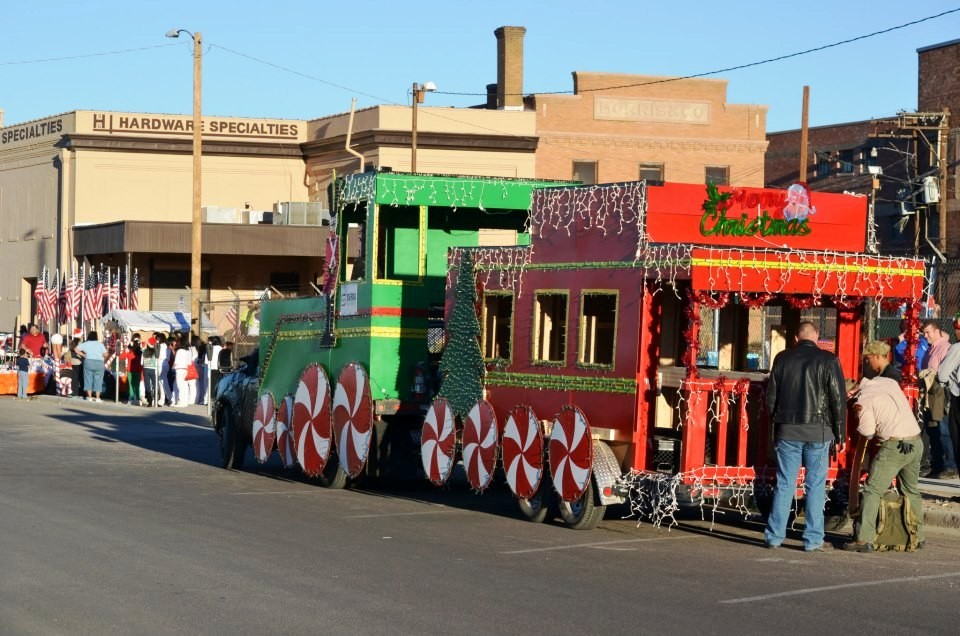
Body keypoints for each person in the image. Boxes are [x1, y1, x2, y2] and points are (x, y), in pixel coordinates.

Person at [764, 321, 846, 552]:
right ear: (817, 336)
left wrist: (776, 423)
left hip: (787, 429)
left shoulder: (782, 359)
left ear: (796, 339)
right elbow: (837, 400)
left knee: (785, 483)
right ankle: (812, 539)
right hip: (819, 431)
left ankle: (774, 536)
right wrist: (840, 434)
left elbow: (771, 397)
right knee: (816, 485)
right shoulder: (829, 360)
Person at [843, 376, 924, 552]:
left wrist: (858, 416)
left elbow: (868, 432)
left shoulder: (863, 400)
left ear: (850, 393)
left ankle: (863, 540)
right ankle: (918, 535)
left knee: (872, 491)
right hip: (916, 442)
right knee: (910, 490)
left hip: (894, 445)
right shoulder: (886, 382)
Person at [920, 320, 956, 478]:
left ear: (937, 331)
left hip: (940, 392)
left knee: (944, 430)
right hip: (929, 393)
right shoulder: (931, 350)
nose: (925, 336)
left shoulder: (945, 348)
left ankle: (951, 465)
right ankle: (937, 464)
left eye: (928, 332)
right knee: (932, 429)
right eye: (924, 333)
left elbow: (945, 372)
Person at [936, 316, 960, 482]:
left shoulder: (957, 348)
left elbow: (942, 374)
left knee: (957, 439)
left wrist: (946, 381)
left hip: (958, 398)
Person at [75, 331, 107, 402]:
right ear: (96, 337)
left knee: (88, 379)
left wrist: (83, 355)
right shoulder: (100, 344)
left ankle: (89, 397)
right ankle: (98, 398)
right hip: (99, 362)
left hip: (88, 361)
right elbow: (105, 354)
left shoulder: (86, 344)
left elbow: (76, 349)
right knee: (98, 380)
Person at [173, 334, 194, 407]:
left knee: (180, 386)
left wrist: (173, 367)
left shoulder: (179, 351)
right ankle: (185, 401)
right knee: (185, 385)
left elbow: (176, 361)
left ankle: (181, 401)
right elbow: (190, 362)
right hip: (185, 369)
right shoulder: (188, 351)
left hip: (179, 369)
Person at [120, 341, 143, 405]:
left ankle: (132, 398)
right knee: (137, 386)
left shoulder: (129, 353)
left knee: (131, 385)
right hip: (138, 371)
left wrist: (124, 350)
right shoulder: (140, 353)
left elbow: (122, 357)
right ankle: (138, 399)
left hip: (130, 371)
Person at [142, 337, 159, 407]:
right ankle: (156, 401)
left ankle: (150, 401)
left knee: (147, 385)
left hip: (146, 369)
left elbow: (141, 361)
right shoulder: (156, 351)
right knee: (155, 385)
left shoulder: (144, 351)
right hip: (154, 369)